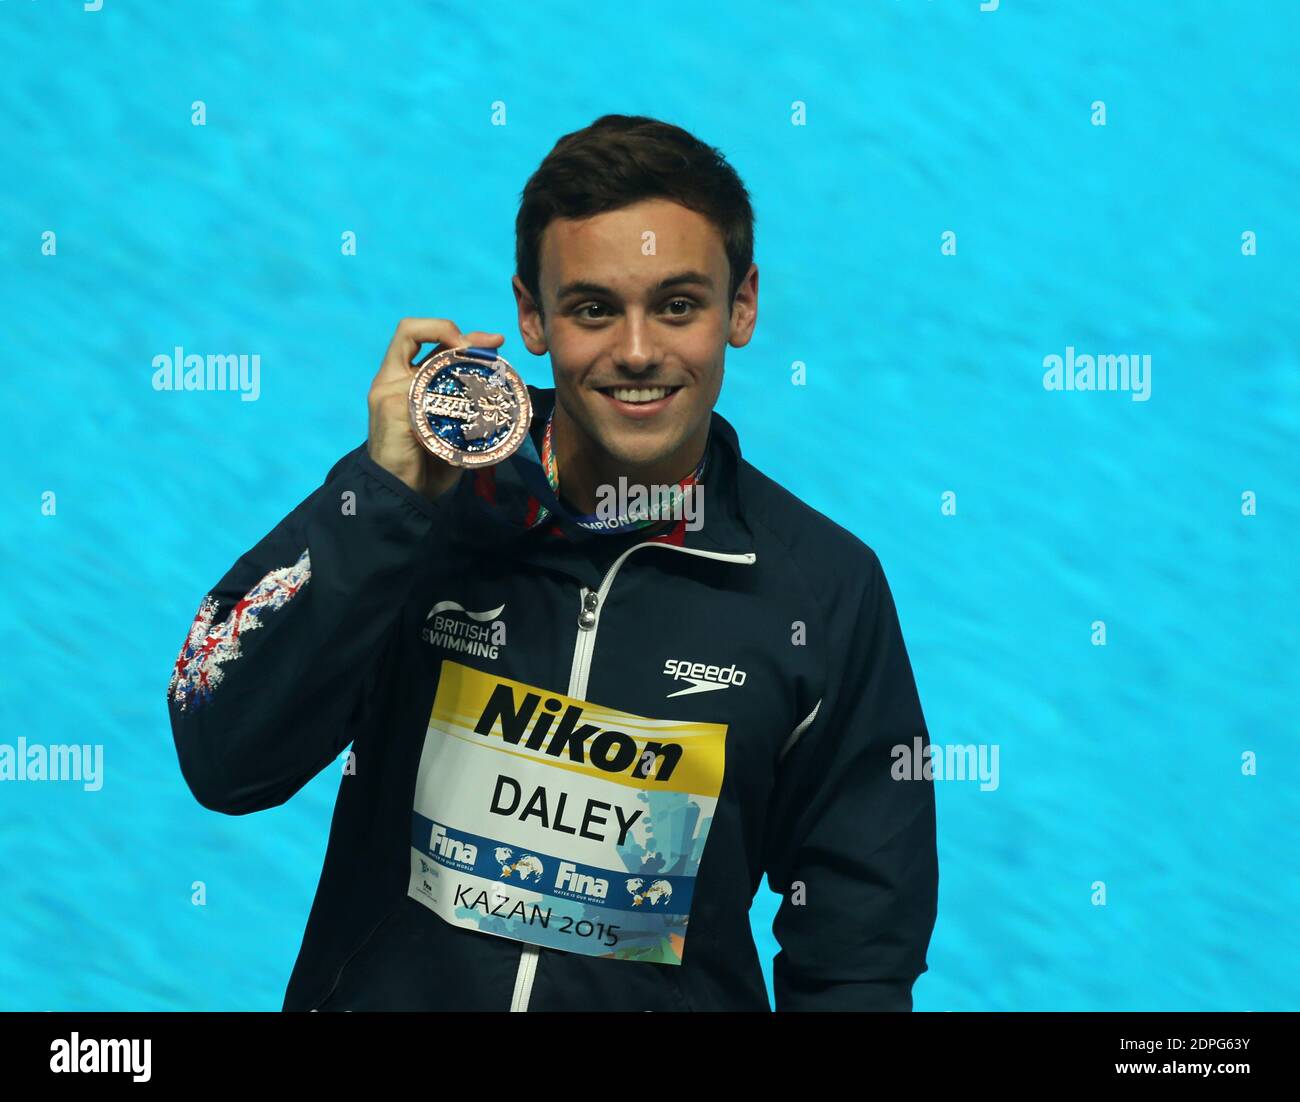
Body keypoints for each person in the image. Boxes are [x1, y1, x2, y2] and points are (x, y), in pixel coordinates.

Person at [166, 114, 939, 1012]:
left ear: (742, 306)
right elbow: (226, 759)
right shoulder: (419, 513)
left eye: (678, 305)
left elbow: (858, 953)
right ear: (532, 316)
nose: (638, 352)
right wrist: (385, 497)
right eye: (593, 309)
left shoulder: (824, 592)